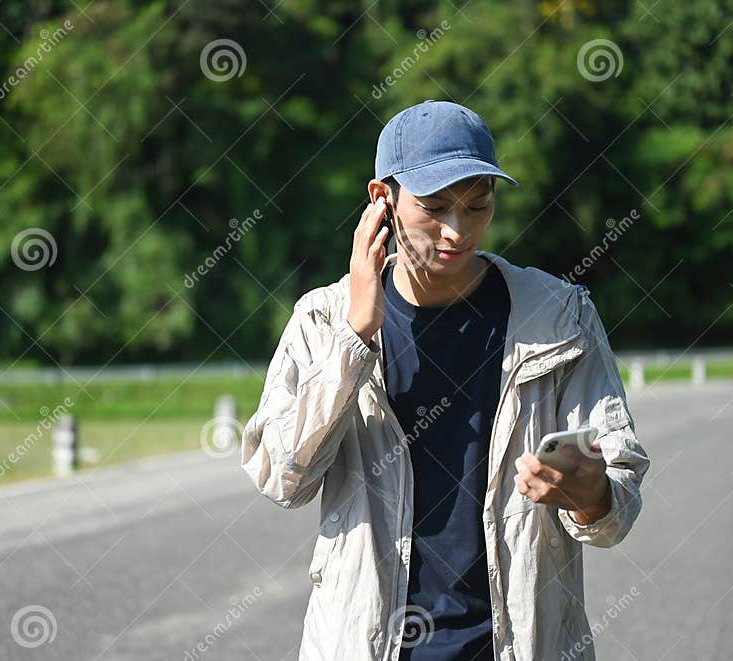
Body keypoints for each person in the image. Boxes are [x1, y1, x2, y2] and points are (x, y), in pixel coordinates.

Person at [240, 99, 650, 661]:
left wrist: (591, 497)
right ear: (382, 199)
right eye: (433, 208)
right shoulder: (322, 318)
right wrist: (355, 336)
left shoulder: (560, 317)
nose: (457, 231)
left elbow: (616, 504)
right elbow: (283, 478)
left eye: (478, 206)